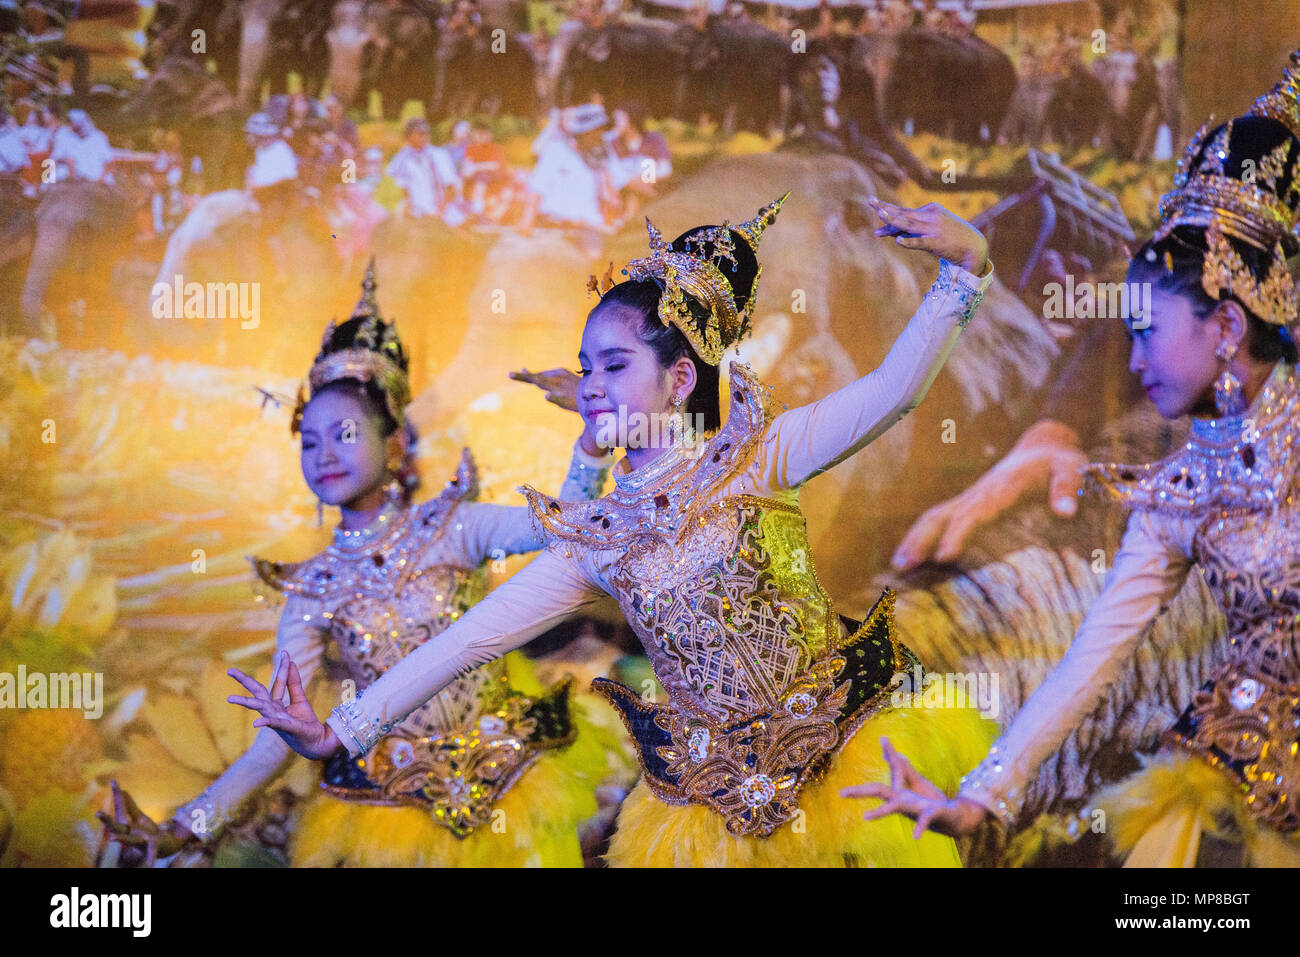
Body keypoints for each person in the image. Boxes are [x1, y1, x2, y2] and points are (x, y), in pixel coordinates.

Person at [229, 193, 1003, 867]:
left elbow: (894, 392)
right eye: (585, 368)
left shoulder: (761, 456)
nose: (591, 385)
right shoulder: (600, 537)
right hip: (708, 804)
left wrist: (963, 271)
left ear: (676, 379)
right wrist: (342, 731)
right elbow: (471, 637)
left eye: (612, 365)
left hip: (842, 754)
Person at [845, 56, 1300, 867]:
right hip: (1234, 793)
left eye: (1147, 333)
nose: (1130, 364)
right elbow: (1092, 655)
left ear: (1227, 326)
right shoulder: (1179, 493)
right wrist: (981, 794)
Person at [99, 263, 625, 867]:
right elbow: (278, 741)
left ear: (395, 443)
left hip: (513, 789)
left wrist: (591, 441)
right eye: (309, 441)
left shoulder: (453, 527)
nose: (324, 455)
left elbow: (562, 526)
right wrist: (188, 827)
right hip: (386, 821)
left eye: (344, 433)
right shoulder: (312, 590)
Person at [385, 117, 464, 225]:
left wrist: (441, 209)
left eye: (426, 133)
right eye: (420, 134)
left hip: (441, 209)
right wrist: (409, 205)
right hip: (417, 210)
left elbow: (450, 187)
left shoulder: (439, 155)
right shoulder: (403, 158)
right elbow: (404, 188)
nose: (425, 137)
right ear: (409, 136)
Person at [50, 107, 113, 183]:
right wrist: (66, 160)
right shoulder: (65, 136)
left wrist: (101, 178)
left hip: (94, 173)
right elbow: (56, 157)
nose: (70, 124)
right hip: (70, 173)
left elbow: (108, 160)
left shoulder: (99, 137)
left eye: (72, 121)